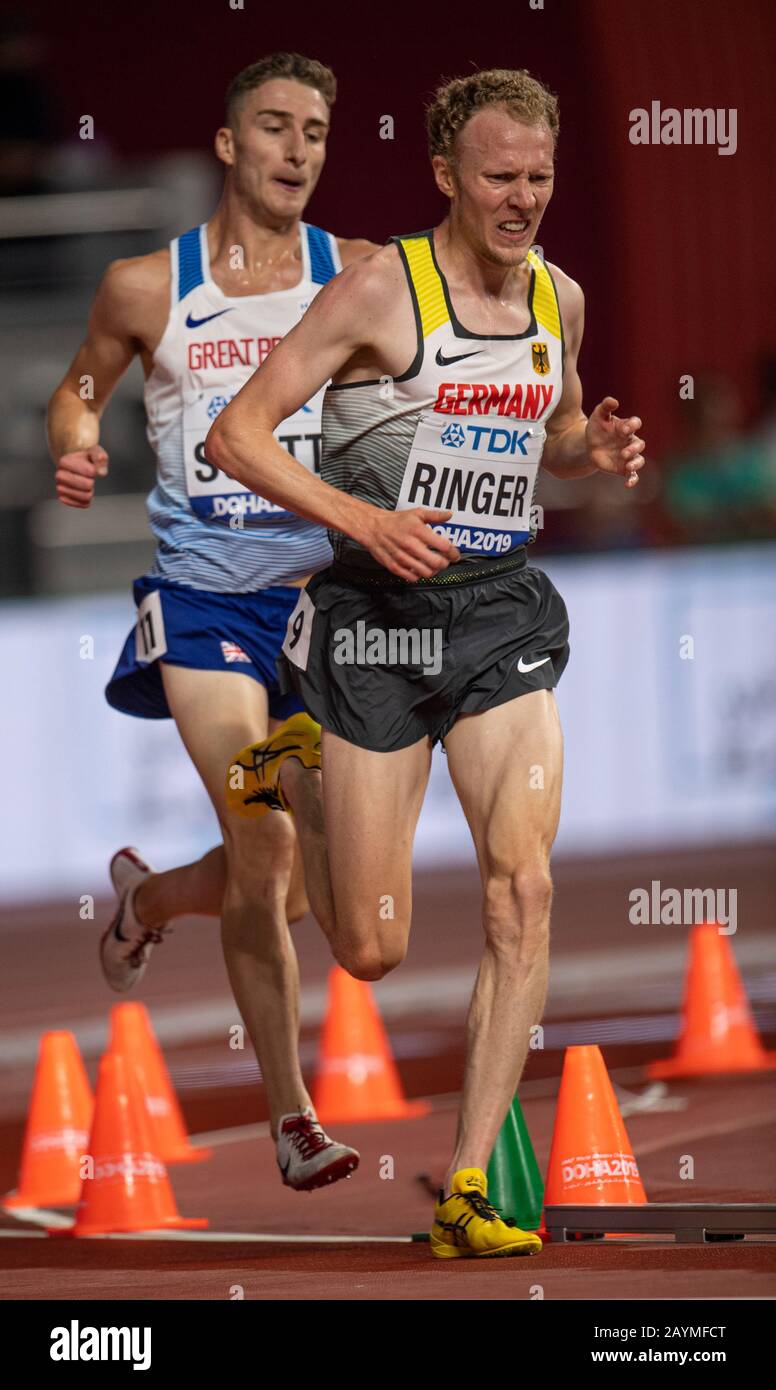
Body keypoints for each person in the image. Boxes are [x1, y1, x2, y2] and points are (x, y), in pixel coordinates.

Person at [207, 67, 647, 1256]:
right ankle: (295, 764)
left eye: (541, 176)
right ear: (445, 174)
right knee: (368, 946)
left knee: (524, 888)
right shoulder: (374, 293)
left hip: (499, 611)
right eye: (499, 176)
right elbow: (235, 432)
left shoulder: (559, 296)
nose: (522, 199)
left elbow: (544, 435)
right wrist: (362, 522)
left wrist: (583, 448)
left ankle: (465, 1188)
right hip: (373, 625)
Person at [48, 52, 377, 1193]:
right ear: (230, 145)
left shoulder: (363, 278)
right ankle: (293, 1116)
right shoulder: (149, 285)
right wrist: (77, 443)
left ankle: (146, 897)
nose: (298, 149)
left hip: (325, 614)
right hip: (202, 613)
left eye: (318, 131)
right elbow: (80, 386)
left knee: (285, 886)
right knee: (268, 823)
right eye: (276, 127)